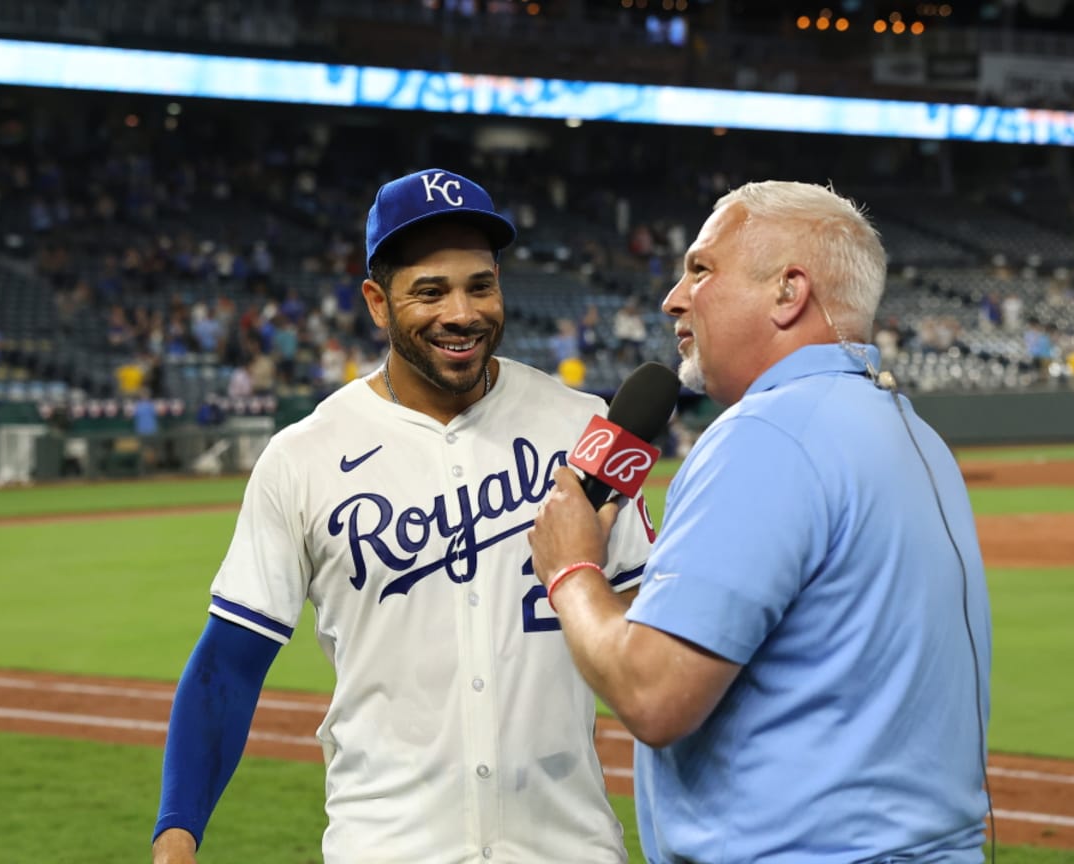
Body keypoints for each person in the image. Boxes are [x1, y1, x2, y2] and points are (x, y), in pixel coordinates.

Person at [152, 168, 654, 864]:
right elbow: (229, 664)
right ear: (377, 303)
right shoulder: (304, 456)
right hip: (386, 847)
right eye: (430, 291)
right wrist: (177, 837)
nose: (462, 313)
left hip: (567, 846)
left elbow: (653, 642)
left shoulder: (583, 429)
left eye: (480, 285)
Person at [527, 181, 993, 864]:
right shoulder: (911, 432)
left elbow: (654, 694)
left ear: (788, 292)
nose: (673, 298)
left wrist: (571, 571)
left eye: (700, 270)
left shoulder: (767, 434)